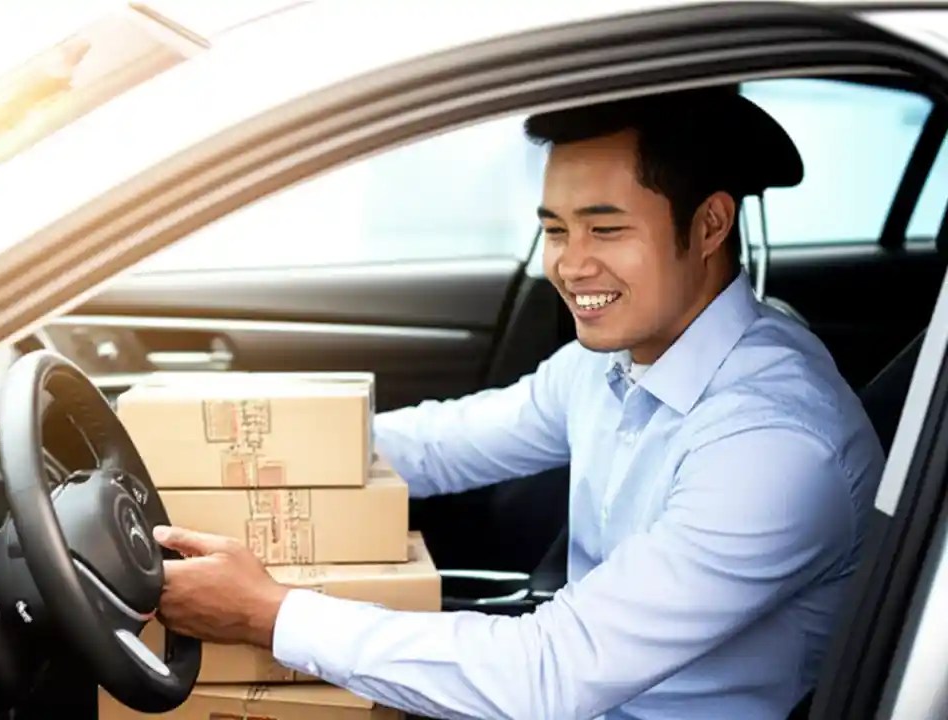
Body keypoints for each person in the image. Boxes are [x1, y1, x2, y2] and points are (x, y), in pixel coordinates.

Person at [149, 87, 885, 720]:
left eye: (606, 228)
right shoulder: (609, 364)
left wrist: (267, 612)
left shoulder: (773, 445)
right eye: (555, 229)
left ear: (710, 226)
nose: (570, 263)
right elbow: (440, 445)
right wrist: (201, 461)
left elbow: (550, 673)